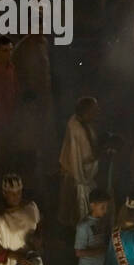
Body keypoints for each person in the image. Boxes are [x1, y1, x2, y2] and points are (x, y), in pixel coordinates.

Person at [57, 96, 99, 227]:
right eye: (94, 110)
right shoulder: (77, 130)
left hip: (81, 177)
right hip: (78, 178)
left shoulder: (81, 123)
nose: (96, 113)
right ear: (86, 112)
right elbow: (84, 157)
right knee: (77, 215)